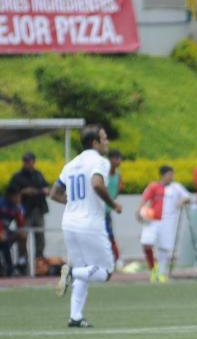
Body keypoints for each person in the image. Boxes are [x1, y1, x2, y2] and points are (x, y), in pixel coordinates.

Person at [49, 125, 123, 328]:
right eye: (104, 138)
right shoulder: (99, 161)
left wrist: (74, 202)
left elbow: (54, 193)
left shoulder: (71, 164)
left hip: (70, 222)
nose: (107, 142)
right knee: (106, 271)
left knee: (85, 269)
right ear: (95, 142)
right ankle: (71, 273)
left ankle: (75, 316)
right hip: (90, 223)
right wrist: (113, 203)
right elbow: (97, 184)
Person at [139, 166, 189, 284]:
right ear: (163, 175)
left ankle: (161, 274)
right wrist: (139, 211)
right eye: (169, 175)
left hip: (168, 221)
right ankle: (153, 268)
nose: (171, 177)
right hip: (152, 221)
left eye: (172, 175)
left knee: (164, 248)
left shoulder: (176, 187)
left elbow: (187, 196)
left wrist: (182, 201)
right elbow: (144, 199)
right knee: (146, 242)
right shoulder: (153, 186)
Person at [8, 151, 49, 262]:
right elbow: (11, 193)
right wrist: (23, 192)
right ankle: (23, 261)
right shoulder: (17, 177)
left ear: (34, 162)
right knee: (23, 237)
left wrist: (45, 190)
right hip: (24, 212)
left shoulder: (38, 174)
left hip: (38, 209)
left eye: (29, 161)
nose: (27, 163)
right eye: (25, 161)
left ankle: (39, 262)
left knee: (40, 237)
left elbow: (46, 187)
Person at [0, 185, 26, 277]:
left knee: (22, 235)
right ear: (10, 196)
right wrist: (1, 231)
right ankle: (8, 267)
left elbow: (20, 224)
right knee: (4, 240)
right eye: (17, 196)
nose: (19, 198)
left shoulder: (18, 205)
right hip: (1, 231)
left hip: (6, 231)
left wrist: (19, 211)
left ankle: (21, 263)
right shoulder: (2, 203)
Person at [106, 150, 123, 268]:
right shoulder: (103, 173)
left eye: (119, 158)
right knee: (105, 236)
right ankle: (115, 260)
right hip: (96, 212)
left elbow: (115, 193)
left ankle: (116, 260)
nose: (119, 161)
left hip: (107, 212)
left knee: (110, 235)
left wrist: (113, 205)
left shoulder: (118, 175)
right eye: (116, 158)